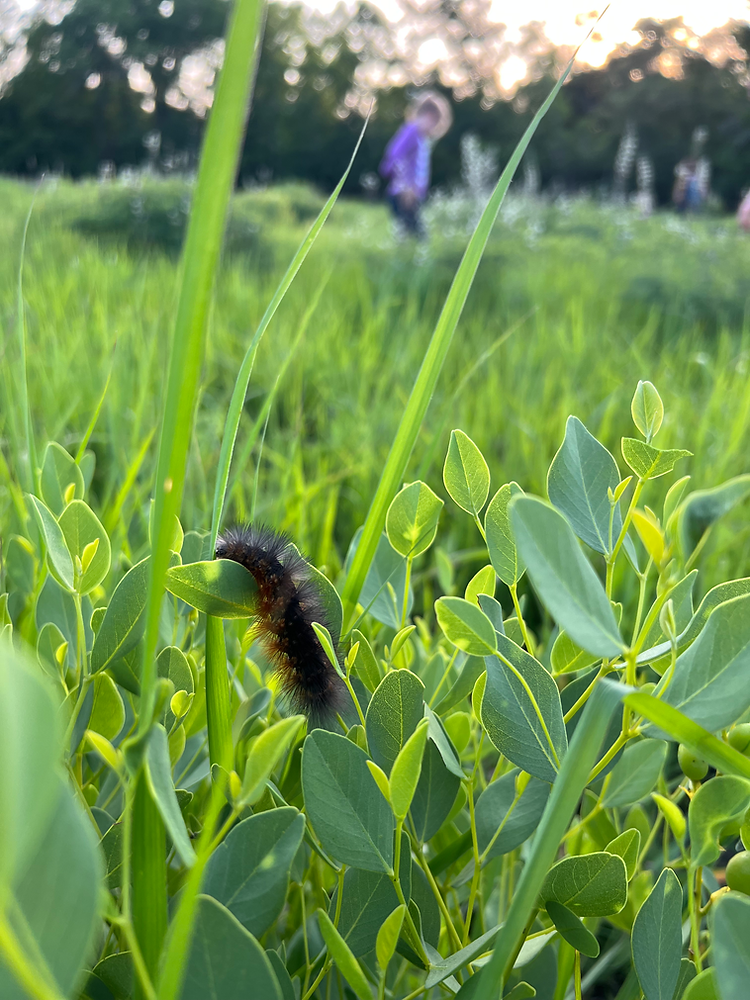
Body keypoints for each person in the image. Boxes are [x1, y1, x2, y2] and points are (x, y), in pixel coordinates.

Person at [379, 91, 452, 237]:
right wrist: (407, 188)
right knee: (416, 236)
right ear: (428, 115)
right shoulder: (411, 131)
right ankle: (402, 259)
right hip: (402, 194)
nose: (433, 127)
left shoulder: (421, 138)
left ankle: (404, 258)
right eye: (434, 122)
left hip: (413, 195)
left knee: (410, 235)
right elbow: (394, 156)